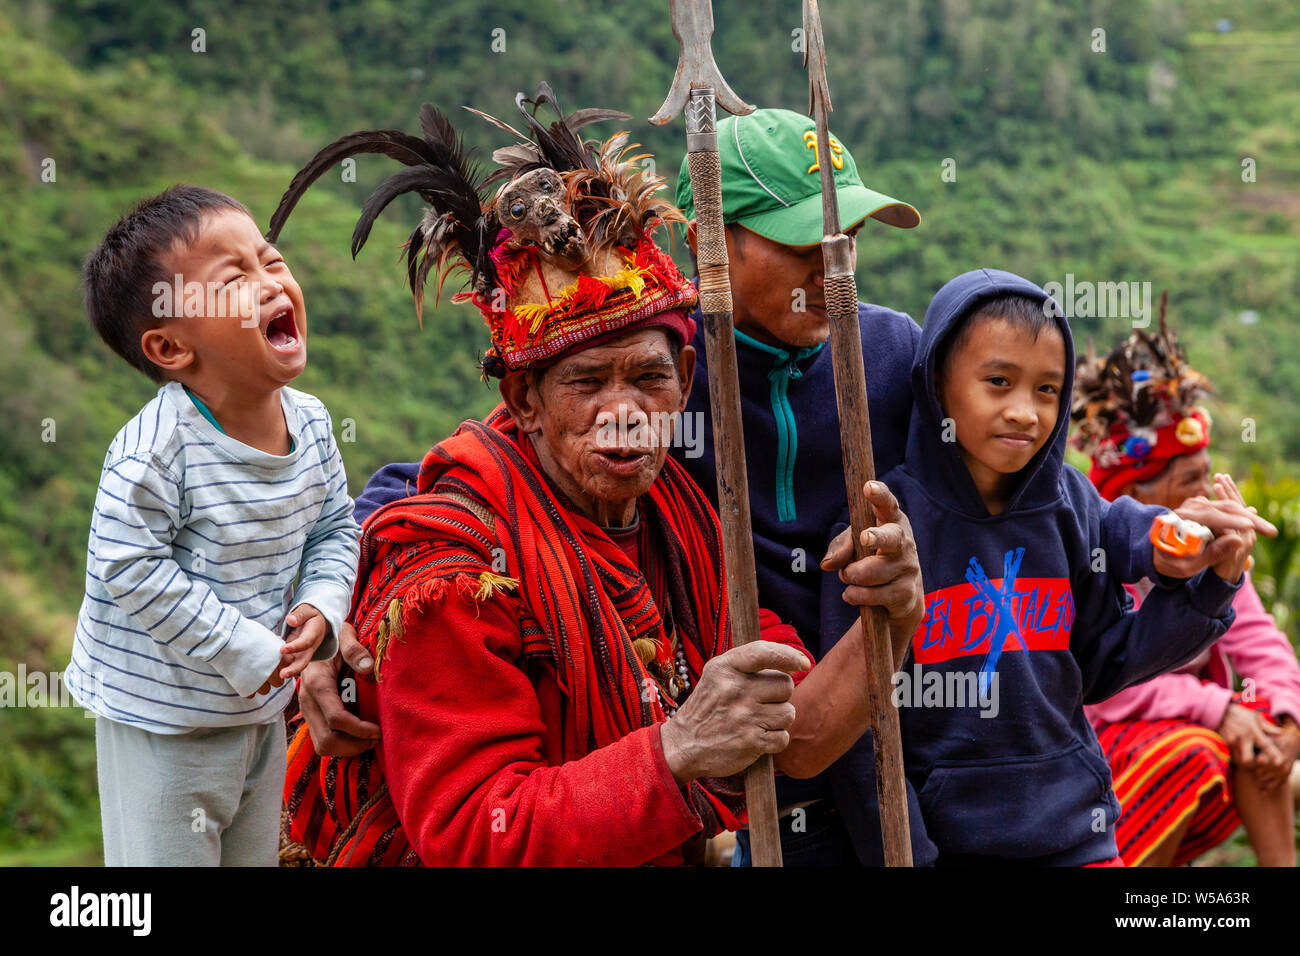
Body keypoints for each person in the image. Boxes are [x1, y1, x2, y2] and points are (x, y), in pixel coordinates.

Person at [272, 94, 927, 865]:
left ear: (686, 381)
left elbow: (799, 739)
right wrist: (677, 747)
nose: (622, 414)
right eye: (585, 383)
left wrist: (895, 615)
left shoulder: (681, 520)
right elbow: (475, 835)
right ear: (525, 401)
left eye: (647, 379)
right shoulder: (454, 571)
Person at [823, 268, 1275, 865]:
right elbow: (860, 739)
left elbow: (1110, 656)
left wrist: (1210, 586)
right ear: (937, 383)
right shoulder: (882, 531)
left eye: (1046, 390)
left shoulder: (1070, 505)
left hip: (1077, 840)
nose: (1024, 412)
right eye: (998, 382)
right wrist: (910, 856)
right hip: (948, 847)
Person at [65, 185, 360, 866]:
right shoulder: (156, 452)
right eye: (235, 278)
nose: (270, 282)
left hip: (257, 711)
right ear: (171, 347)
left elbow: (334, 530)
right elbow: (128, 565)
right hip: (162, 721)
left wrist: (322, 603)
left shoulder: (311, 424)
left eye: (270, 259)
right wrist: (241, 649)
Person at [670, 107, 933, 865]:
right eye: (801, 243)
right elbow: (479, 462)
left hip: (870, 788)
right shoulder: (651, 364)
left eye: (846, 239)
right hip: (716, 806)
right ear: (708, 243)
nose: (832, 267)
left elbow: (1018, 472)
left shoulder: (888, 352)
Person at [1073, 309, 1300, 866]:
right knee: (1192, 755)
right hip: (1107, 744)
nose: (1209, 492)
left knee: (1262, 735)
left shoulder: (1214, 554)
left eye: (1208, 471)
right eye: (1190, 480)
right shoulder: (1097, 558)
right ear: (1139, 498)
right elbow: (1106, 688)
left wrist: (1289, 717)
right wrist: (1218, 706)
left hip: (1195, 724)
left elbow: (1262, 643)